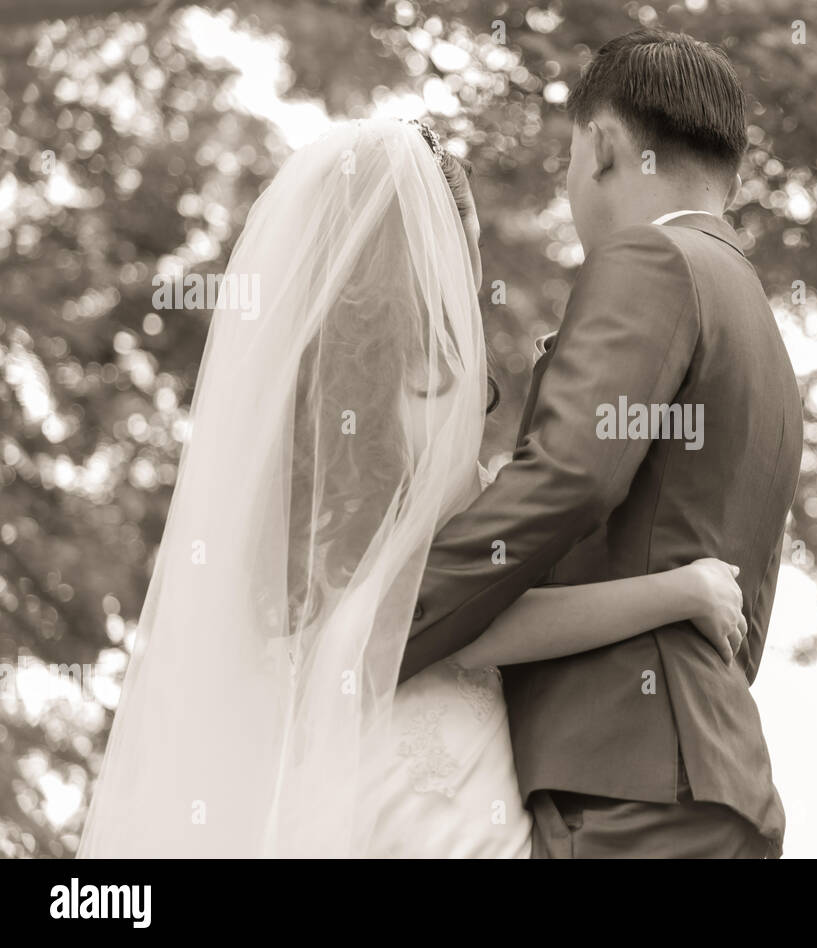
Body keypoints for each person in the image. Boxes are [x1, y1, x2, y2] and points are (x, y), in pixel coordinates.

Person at [77, 116, 748, 858]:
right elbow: (456, 617)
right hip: (428, 757)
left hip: (337, 762)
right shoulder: (430, 389)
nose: (468, 261)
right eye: (462, 237)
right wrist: (678, 592)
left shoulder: (299, 404)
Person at [399, 29, 802, 859]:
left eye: (569, 160)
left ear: (604, 146)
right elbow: (744, 630)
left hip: (621, 784)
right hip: (713, 782)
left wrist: (390, 622)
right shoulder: (764, 335)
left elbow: (571, 478)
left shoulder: (651, 259)